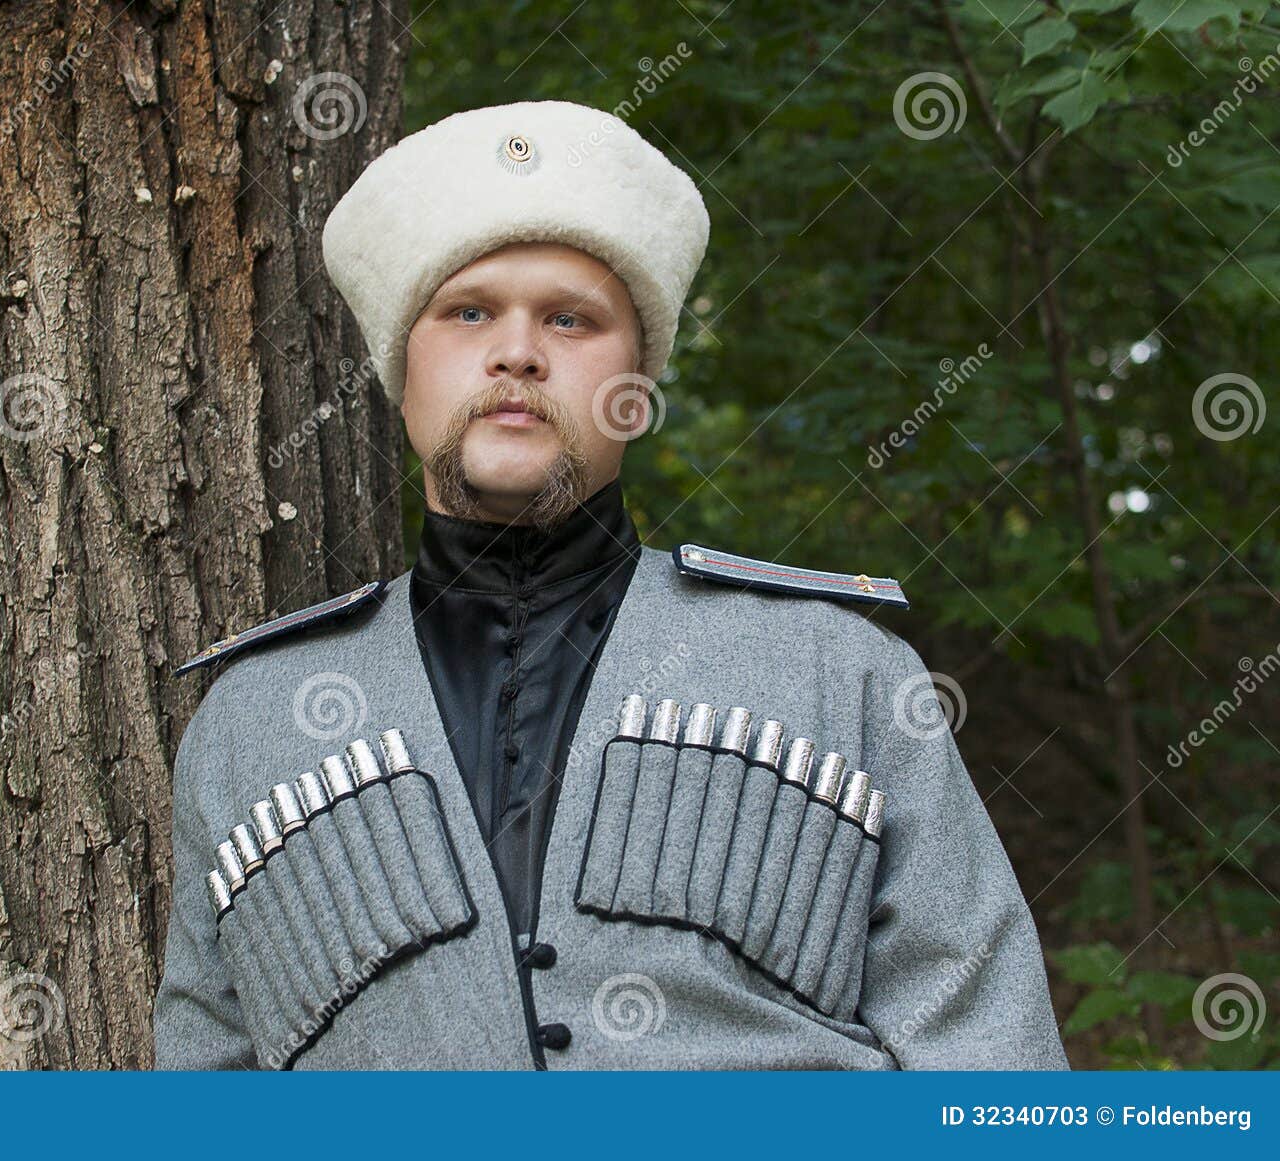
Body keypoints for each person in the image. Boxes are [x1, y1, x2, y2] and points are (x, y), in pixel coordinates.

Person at [153, 100, 1069, 1070]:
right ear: (401, 370)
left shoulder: (841, 674)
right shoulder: (248, 723)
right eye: (467, 312)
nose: (516, 351)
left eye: (570, 318)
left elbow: (988, 1053)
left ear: (636, 377)